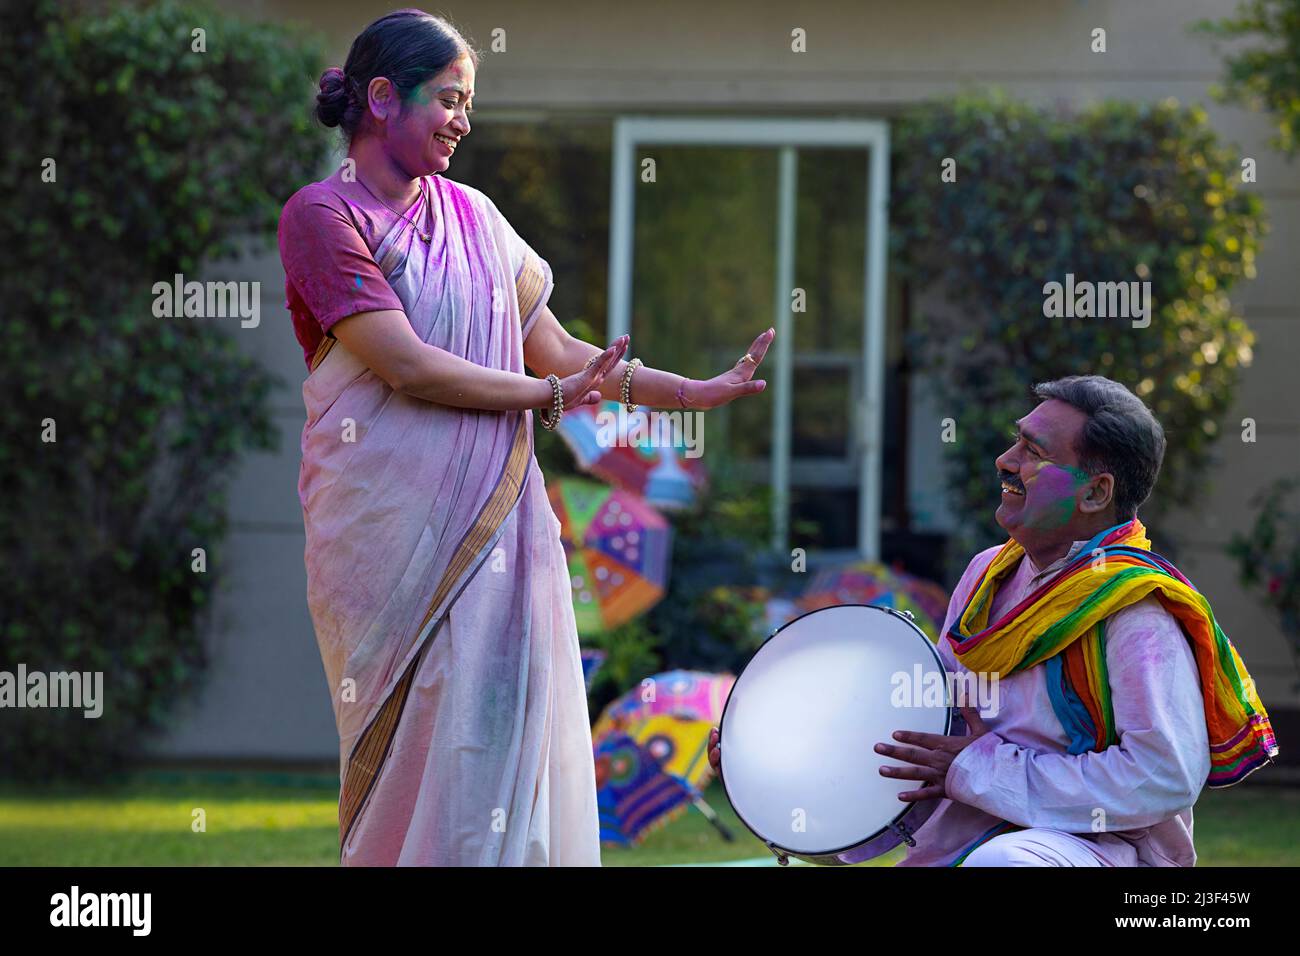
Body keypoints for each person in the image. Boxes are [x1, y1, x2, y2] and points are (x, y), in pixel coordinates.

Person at [279, 9, 772, 866]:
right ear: (384, 97)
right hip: (385, 532)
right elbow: (409, 368)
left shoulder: (477, 217)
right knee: (427, 732)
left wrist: (689, 391)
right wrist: (552, 394)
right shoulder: (323, 217)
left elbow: (569, 357)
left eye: (471, 102)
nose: (464, 122)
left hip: (503, 531)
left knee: (507, 731)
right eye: (450, 99)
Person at [707, 375, 1276, 866]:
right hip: (968, 835)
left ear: (1097, 492)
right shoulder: (986, 577)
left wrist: (983, 773)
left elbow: (1164, 776)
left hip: (1101, 848)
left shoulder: (1135, 612)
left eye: (1034, 451)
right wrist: (772, 781)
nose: (1007, 460)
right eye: (1016, 442)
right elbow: (939, 746)